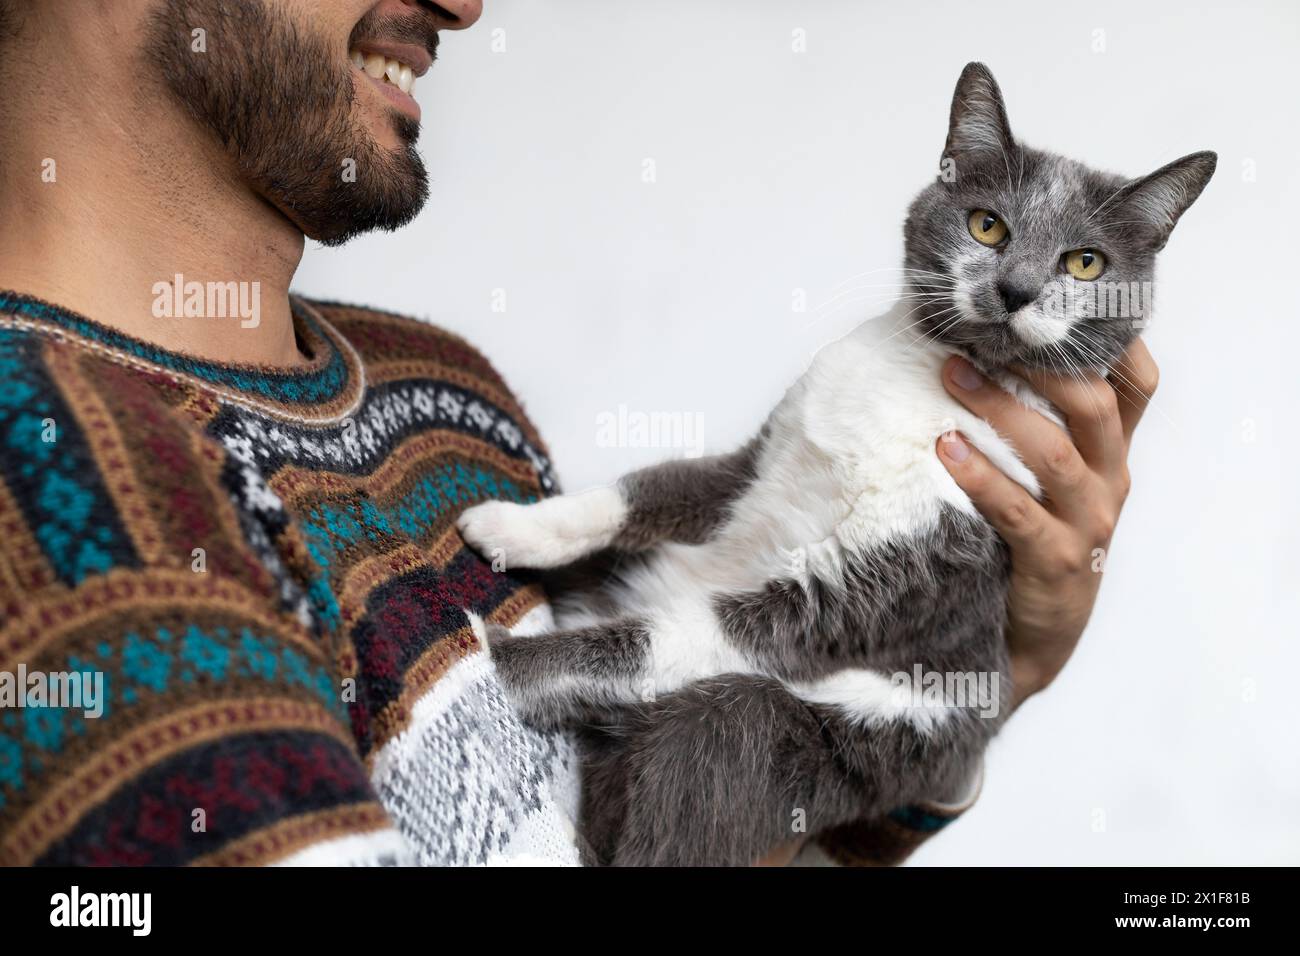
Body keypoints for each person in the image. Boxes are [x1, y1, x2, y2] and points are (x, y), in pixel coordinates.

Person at [0, 0, 1156, 866]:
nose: (465, 3)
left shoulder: (442, 393)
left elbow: (697, 820)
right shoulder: (53, 480)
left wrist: (994, 663)